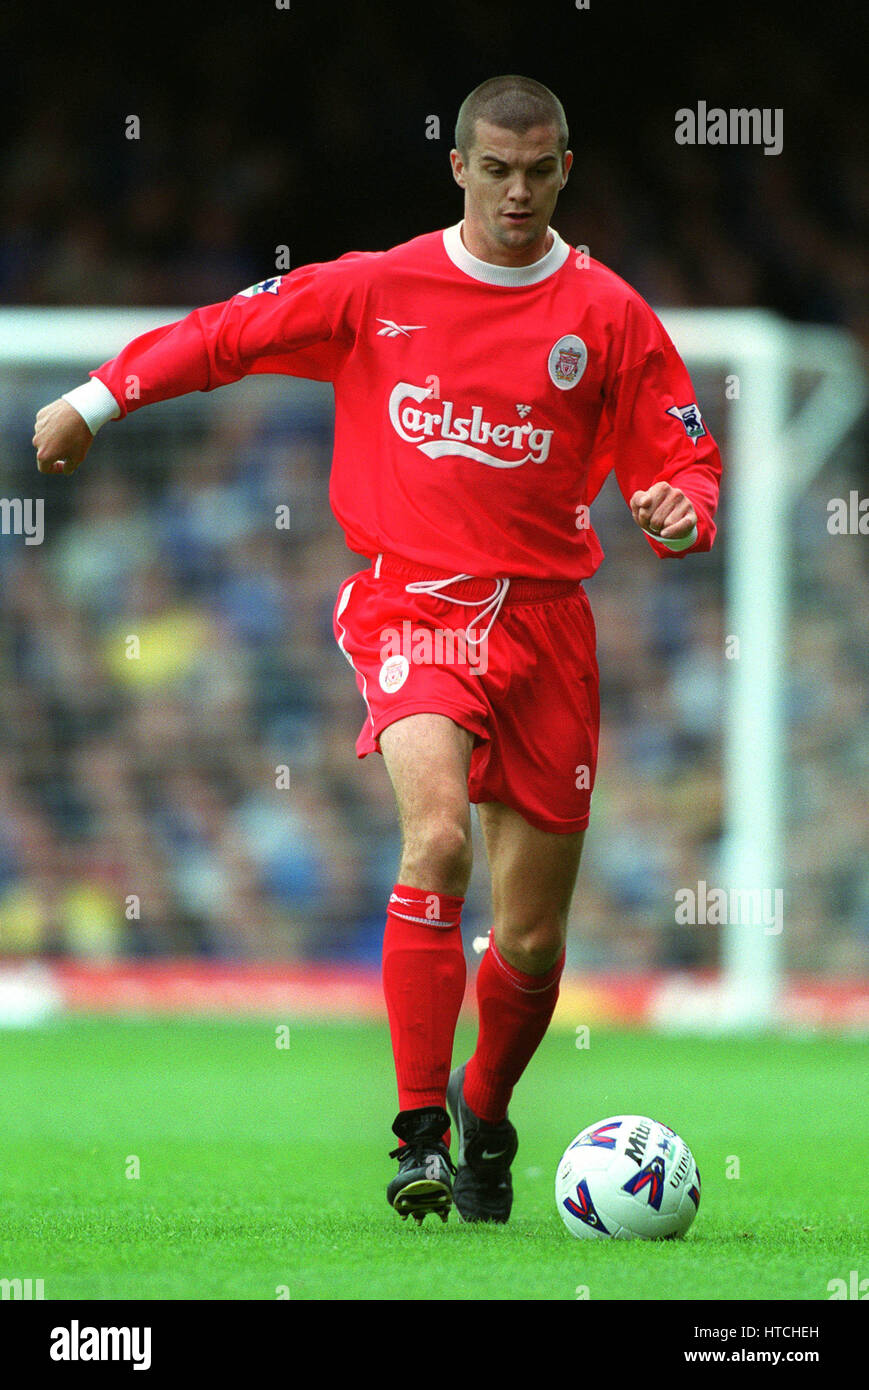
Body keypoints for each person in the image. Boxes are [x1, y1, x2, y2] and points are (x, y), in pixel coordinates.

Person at [33, 74, 722, 1226]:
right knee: (436, 834)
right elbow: (223, 333)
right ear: (456, 166)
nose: (516, 192)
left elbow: (683, 460)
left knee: (537, 936)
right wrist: (99, 399)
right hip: (413, 607)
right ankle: (417, 1129)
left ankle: (486, 1109)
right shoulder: (377, 287)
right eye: (494, 169)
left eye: (537, 170)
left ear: (565, 170)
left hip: (549, 625)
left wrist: (681, 512)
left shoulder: (608, 316)